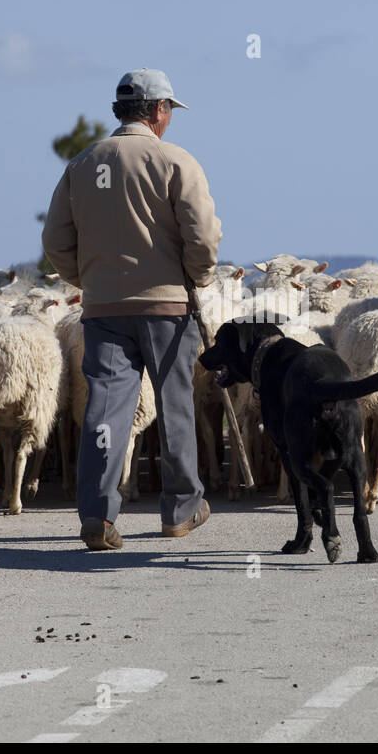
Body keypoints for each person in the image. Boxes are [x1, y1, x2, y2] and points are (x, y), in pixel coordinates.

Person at [42, 69, 222, 550]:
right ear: (159, 110)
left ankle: (98, 515)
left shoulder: (83, 164)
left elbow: (55, 240)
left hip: (103, 308)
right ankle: (180, 509)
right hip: (166, 305)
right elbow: (201, 235)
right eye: (169, 111)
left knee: (105, 408)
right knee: (174, 402)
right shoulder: (174, 160)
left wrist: (89, 279)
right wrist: (198, 275)